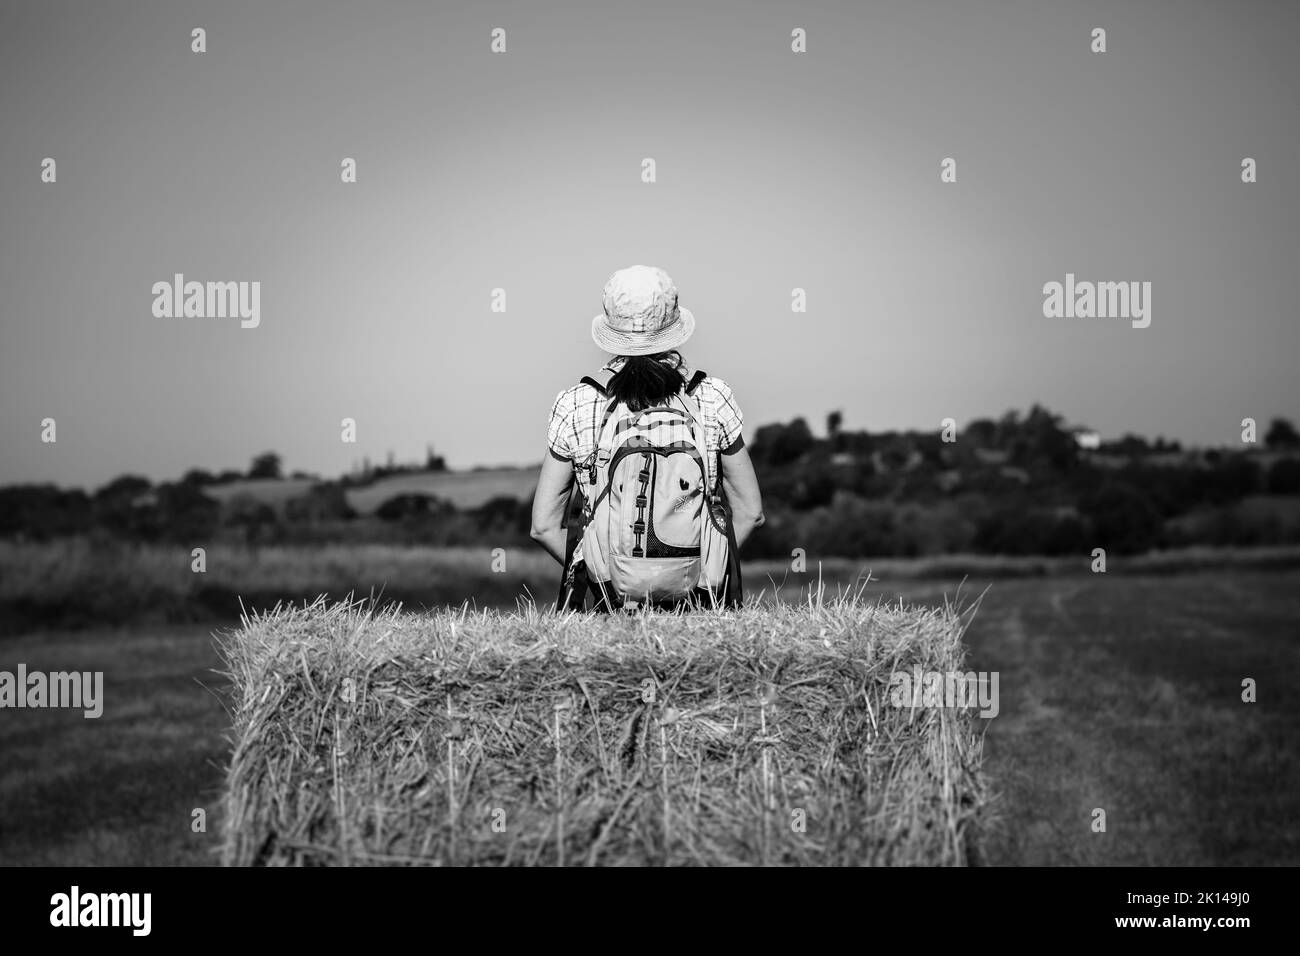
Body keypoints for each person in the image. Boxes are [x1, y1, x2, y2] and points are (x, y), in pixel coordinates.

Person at [530, 265, 764, 612]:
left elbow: (543, 526)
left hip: (610, 602)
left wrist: (605, 572)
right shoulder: (711, 397)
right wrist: (702, 571)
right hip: (702, 602)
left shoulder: (577, 403)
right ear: (674, 324)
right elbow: (750, 513)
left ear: (610, 324)